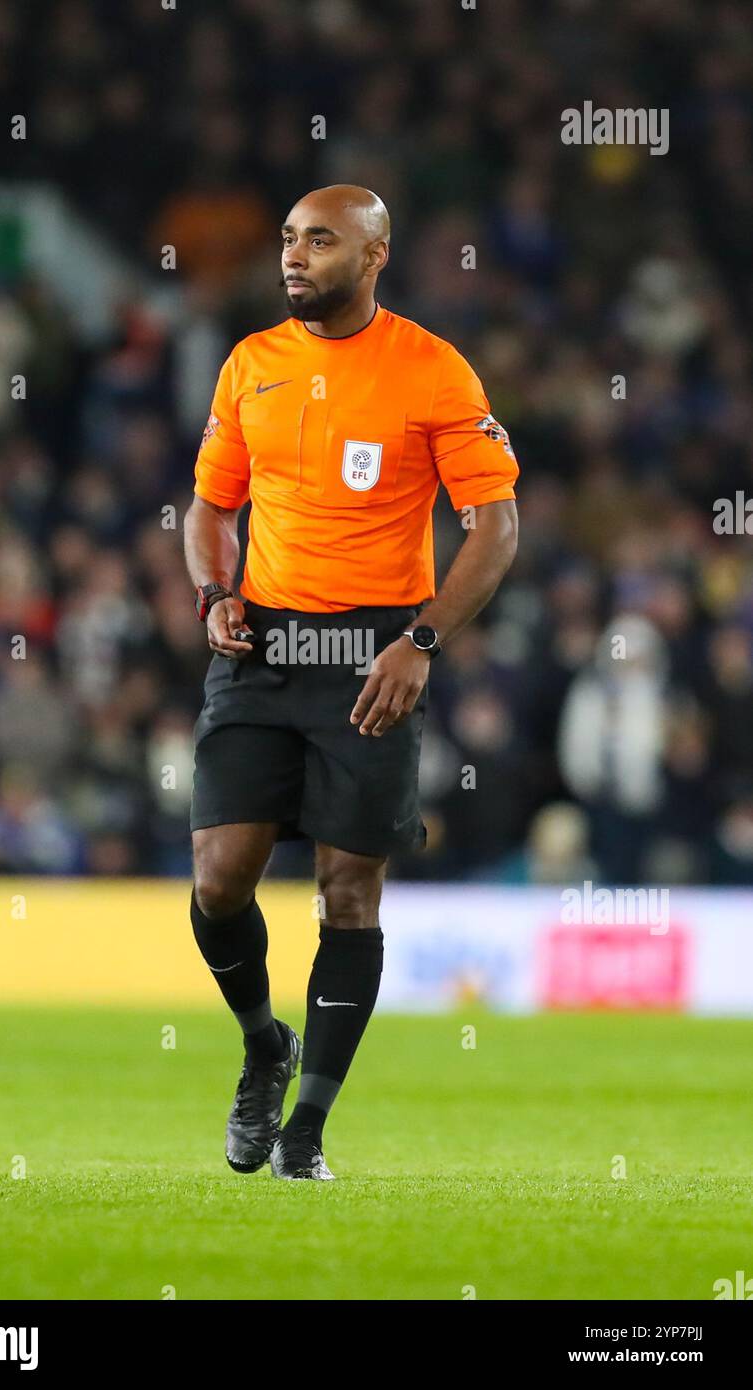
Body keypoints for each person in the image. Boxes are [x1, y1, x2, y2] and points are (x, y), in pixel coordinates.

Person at [183, 184, 519, 1180]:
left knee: (348, 896)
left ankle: (307, 1131)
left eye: (318, 241)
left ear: (374, 254)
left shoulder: (430, 370)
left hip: (373, 654)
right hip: (261, 648)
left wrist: (420, 641)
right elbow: (208, 508)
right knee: (216, 877)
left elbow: (494, 527)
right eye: (287, 239)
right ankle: (260, 1044)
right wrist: (212, 593)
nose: (293, 256)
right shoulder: (251, 365)